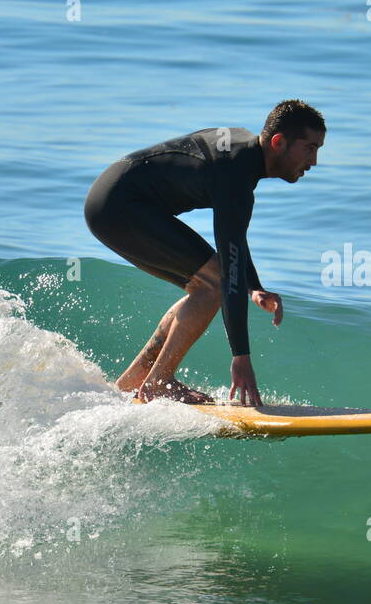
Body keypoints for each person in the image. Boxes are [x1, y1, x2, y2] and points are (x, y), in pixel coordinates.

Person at [83, 99, 325, 406]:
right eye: (310, 148)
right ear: (278, 142)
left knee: (205, 285)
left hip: (113, 200)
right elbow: (230, 269)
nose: (314, 161)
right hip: (120, 206)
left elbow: (233, 241)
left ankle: (135, 380)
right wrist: (241, 357)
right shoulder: (236, 178)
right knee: (213, 285)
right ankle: (158, 382)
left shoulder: (240, 151)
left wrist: (255, 287)